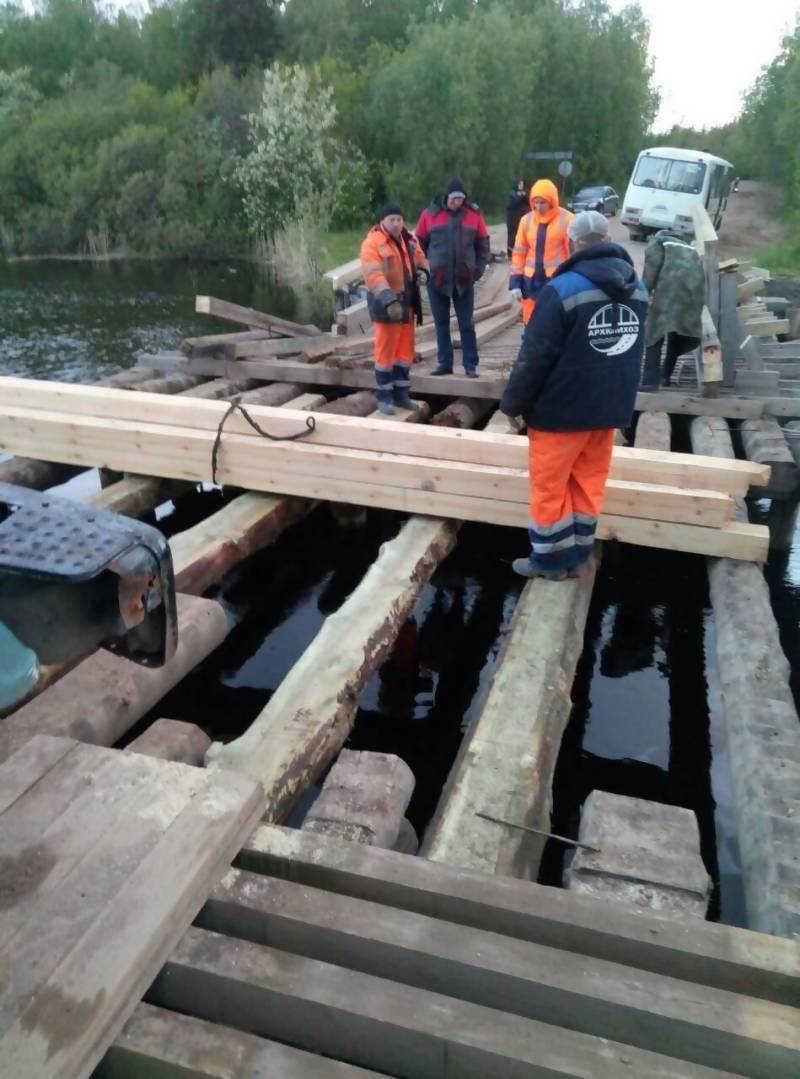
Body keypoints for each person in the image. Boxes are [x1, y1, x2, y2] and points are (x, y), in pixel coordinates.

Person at [500, 210, 647, 581]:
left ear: (571, 243)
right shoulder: (638, 288)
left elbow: (534, 356)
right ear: (608, 239)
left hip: (560, 412)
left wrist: (513, 405)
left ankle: (550, 561)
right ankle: (579, 552)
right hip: (608, 409)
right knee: (588, 480)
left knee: (550, 487)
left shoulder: (562, 289)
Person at [415, 176, 490, 378]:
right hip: (437, 279)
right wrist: (426, 268)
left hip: (464, 279)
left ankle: (470, 364)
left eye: (461, 199)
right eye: (454, 199)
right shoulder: (429, 215)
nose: (458, 202)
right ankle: (444, 363)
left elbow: (483, 245)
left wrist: (476, 271)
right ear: (447, 197)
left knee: (467, 324)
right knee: (441, 324)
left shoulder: (473, 215)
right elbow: (418, 244)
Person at [360, 203, 429, 415]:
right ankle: (384, 397)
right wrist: (389, 300)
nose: (397, 223)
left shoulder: (409, 239)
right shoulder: (373, 243)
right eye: (392, 220)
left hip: (407, 303)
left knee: (404, 353)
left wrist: (424, 272)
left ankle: (401, 395)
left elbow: (420, 258)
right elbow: (373, 276)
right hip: (386, 305)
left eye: (399, 219)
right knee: (385, 353)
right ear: (383, 221)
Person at [640, 229, 705, 391]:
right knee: (678, 332)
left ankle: (649, 382)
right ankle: (665, 376)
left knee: (654, 333)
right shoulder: (690, 248)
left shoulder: (658, 242)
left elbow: (651, 270)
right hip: (694, 292)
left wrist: (643, 295)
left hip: (670, 288)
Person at [509, 177, 573, 325]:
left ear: (552, 201)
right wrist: (515, 283)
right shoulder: (526, 220)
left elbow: (573, 253)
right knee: (530, 323)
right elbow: (518, 253)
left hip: (556, 281)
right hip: (530, 282)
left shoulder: (567, 219)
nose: (538, 206)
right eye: (535, 202)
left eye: (542, 202)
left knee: (554, 323)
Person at [505, 178, 528, 258]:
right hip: (512, 220)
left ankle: (519, 253)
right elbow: (513, 203)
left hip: (520, 220)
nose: (522, 186)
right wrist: (520, 196)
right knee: (511, 237)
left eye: (522, 184)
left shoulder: (522, 194)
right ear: (517, 184)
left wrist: (524, 196)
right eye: (520, 184)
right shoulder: (512, 194)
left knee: (520, 237)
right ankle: (510, 254)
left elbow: (528, 202)